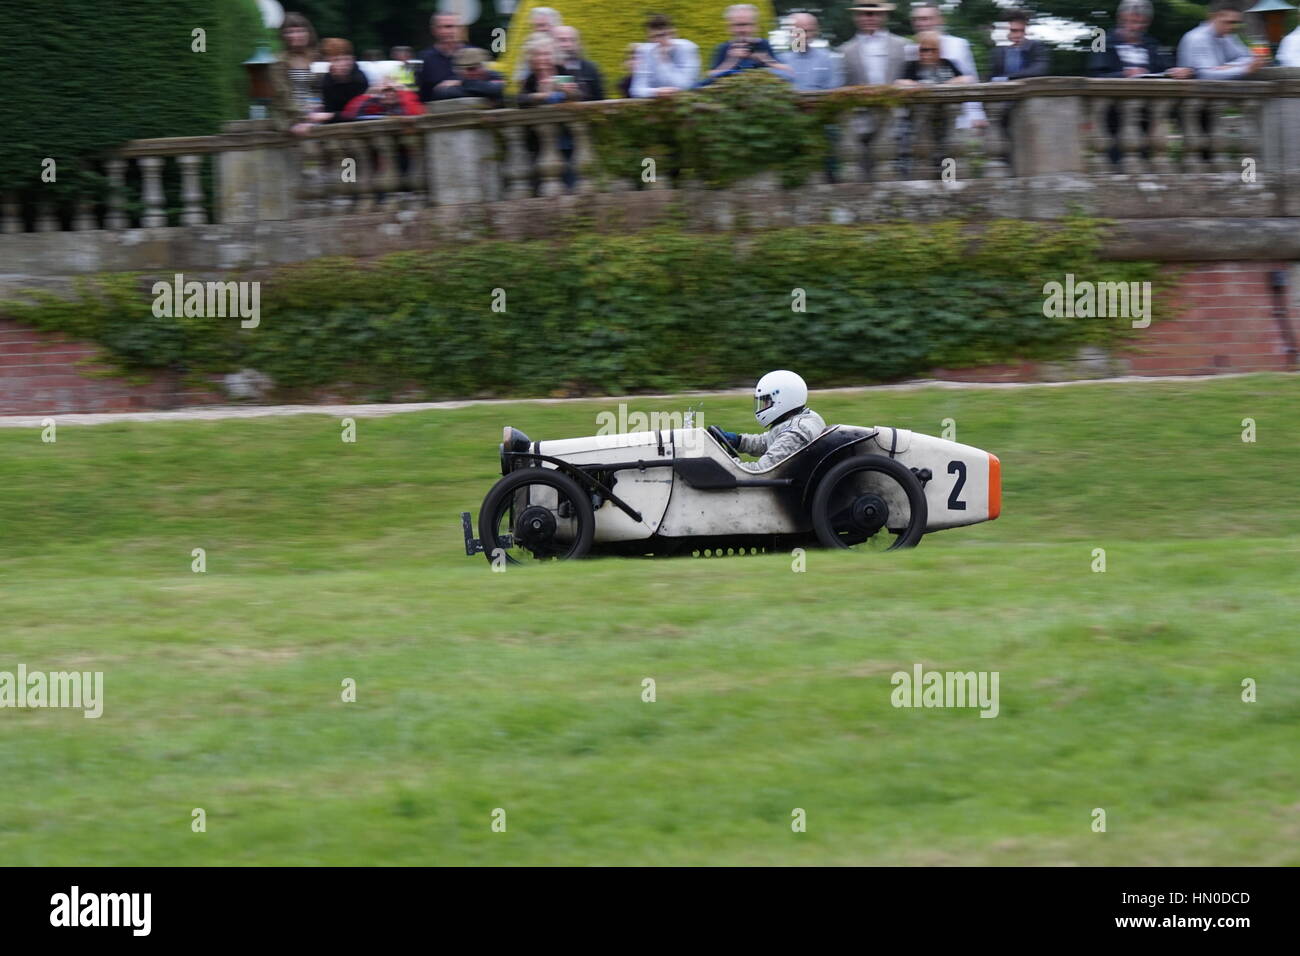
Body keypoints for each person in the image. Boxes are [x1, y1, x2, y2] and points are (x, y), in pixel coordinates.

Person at [715, 371, 825, 473]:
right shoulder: (803, 419)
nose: (764, 406)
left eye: (767, 401)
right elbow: (768, 441)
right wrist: (739, 441)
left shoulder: (795, 434)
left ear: (783, 400)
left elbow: (760, 472)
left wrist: (725, 463)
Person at [907, 4, 986, 129]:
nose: (920, 23)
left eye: (926, 18)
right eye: (916, 19)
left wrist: (976, 114)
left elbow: (972, 80)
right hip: (922, 120)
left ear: (939, 20)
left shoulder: (958, 45)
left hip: (957, 117)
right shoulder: (910, 49)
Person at [1088, 0, 1192, 79]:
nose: (1137, 27)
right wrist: (1125, 74)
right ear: (1120, 19)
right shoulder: (1100, 41)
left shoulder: (1153, 44)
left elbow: (1165, 70)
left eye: (1143, 23)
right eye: (1133, 21)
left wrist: (1177, 72)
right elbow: (1095, 76)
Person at [703, 4, 792, 83]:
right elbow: (709, 76)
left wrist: (766, 60)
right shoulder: (724, 48)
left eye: (746, 24)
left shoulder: (764, 45)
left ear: (755, 26)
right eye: (737, 25)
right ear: (729, 27)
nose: (742, 30)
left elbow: (789, 72)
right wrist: (731, 61)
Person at [1177, 2, 1268, 78]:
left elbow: (1249, 57)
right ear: (1213, 17)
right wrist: (1245, 69)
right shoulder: (1198, 38)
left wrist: (1231, 66)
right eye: (1228, 22)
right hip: (1196, 95)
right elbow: (1206, 75)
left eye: (1235, 23)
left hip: (1217, 92)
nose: (1232, 27)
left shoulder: (1227, 36)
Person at [270, 12, 322, 136]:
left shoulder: (318, 58)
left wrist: (320, 112)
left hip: (319, 115)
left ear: (308, 33)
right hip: (291, 119)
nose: (296, 35)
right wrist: (303, 116)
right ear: (283, 36)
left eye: (300, 31)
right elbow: (282, 95)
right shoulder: (279, 61)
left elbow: (322, 88)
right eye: (290, 32)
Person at [631, 14, 701, 98]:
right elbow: (636, 90)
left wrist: (664, 60)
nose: (657, 41)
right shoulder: (645, 51)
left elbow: (685, 86)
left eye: (661, 35)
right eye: (652, 37)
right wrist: (656, 92)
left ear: (673, 34)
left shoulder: (688, 48)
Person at [838, 2, 907, 87]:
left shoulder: (902, 45)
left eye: (876, 14)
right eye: (865, 14)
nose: (870, 18)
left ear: (885, 16)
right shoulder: (846, 50)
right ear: (856, 17)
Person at [418, 11, 476, 102]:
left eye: (450, 26)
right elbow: (418, 93)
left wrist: (459, 82)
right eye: (440, 27)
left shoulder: (474, 54)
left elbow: (487, 83)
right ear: (433, 30)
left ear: (461, 29)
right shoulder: (424, 58)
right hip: (435, 112)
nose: (446, 31)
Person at [779, 12, 844, 91]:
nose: (805, 35)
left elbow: (835, 91)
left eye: (809, 31)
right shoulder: (779, 60)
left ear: (815, 32)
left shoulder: (828, 60)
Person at [318, 39, 370, 123]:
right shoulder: (327, 80)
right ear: (330, 61)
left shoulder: (359, 79)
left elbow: (358, 113)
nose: (343, 64)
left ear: (353, 59)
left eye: (346, 59)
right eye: (337, 60)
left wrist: (330, 115)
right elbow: (328, 108)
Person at [432, 48, 506, 107]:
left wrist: (463, 84)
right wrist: (485, 92)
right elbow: (442, 92)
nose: (472, 73)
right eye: (467, 69)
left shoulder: (494, 76)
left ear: (484, 66)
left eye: (474, 68)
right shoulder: (457, 79)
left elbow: (497, 89)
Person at [988, 10, 1050, 81]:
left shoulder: (1036, 46)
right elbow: (993, 76)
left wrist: (1007, 78)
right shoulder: (998, 51)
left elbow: (1039, 70)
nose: (1019, 35)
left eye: (1022, 31)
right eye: (1013, 31)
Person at [552, 26, 606, 101]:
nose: (568, 44)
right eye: (562, 40)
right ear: (552, 42)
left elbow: (600, 98)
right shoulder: (546, 68)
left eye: (572, 40)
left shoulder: (591, 68)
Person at [339, 74, 425, 120]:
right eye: (385, 91)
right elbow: (349, 114)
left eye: (393, 90)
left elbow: (417, 114)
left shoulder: (405, 102)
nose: (389, 94)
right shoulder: (373, 104)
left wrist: (402, 90)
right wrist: (369, 93)